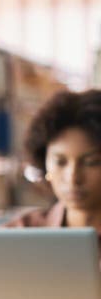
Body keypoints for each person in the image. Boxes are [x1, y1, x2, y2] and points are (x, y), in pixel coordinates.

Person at [6, 89, 101, 248]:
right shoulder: (21, 233)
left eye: (91, 162)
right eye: (60, 162)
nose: (73, 178)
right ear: (44, 163)